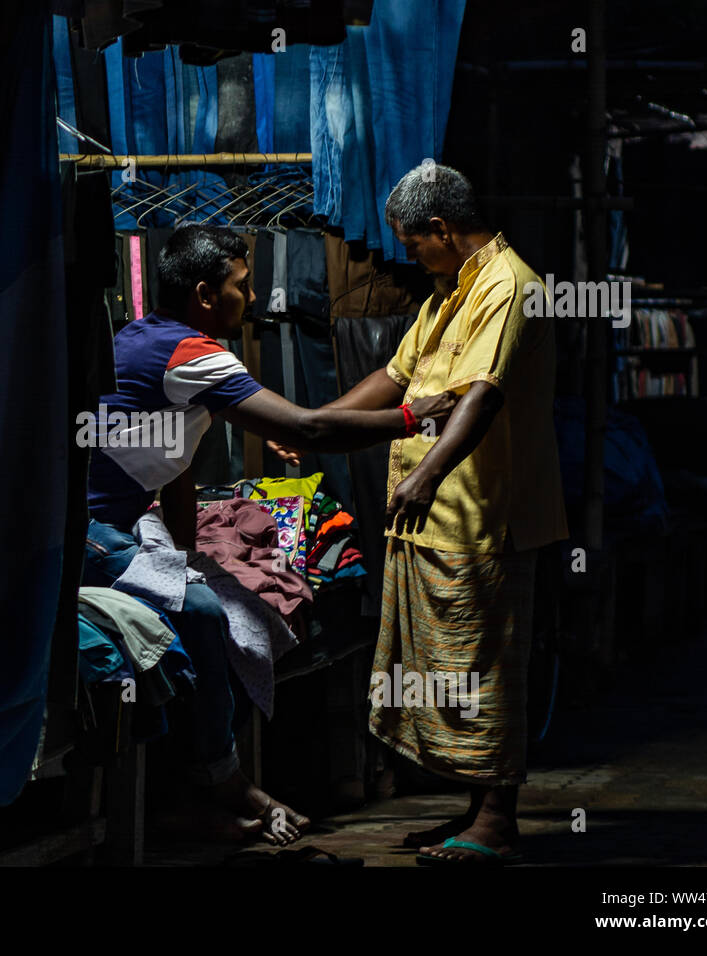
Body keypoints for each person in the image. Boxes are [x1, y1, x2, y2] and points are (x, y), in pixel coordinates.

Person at [85, 225, 455, 845]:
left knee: (197, 594)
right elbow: (309, 429)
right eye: (241, 285)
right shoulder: (192, 356)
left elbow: (176, 472)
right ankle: (223, 784)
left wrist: (182, 559)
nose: (253, 297)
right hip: (89, 534)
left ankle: (192, 793)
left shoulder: (146, 338)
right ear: (205, 293)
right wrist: (416, 416)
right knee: (203, 613)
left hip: (110, 525)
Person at [276, 164, 569, 864]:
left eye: (412, 242)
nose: (409, 253)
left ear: (442, 229)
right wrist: (315, 422)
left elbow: (484, 394)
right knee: (446, 668)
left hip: (483, 515)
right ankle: (474, 811)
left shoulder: (510, 287)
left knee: (487, 668)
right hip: (432, 520)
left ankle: (496, 819)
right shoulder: (447, 294)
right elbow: (399, 377)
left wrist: (428, 476)